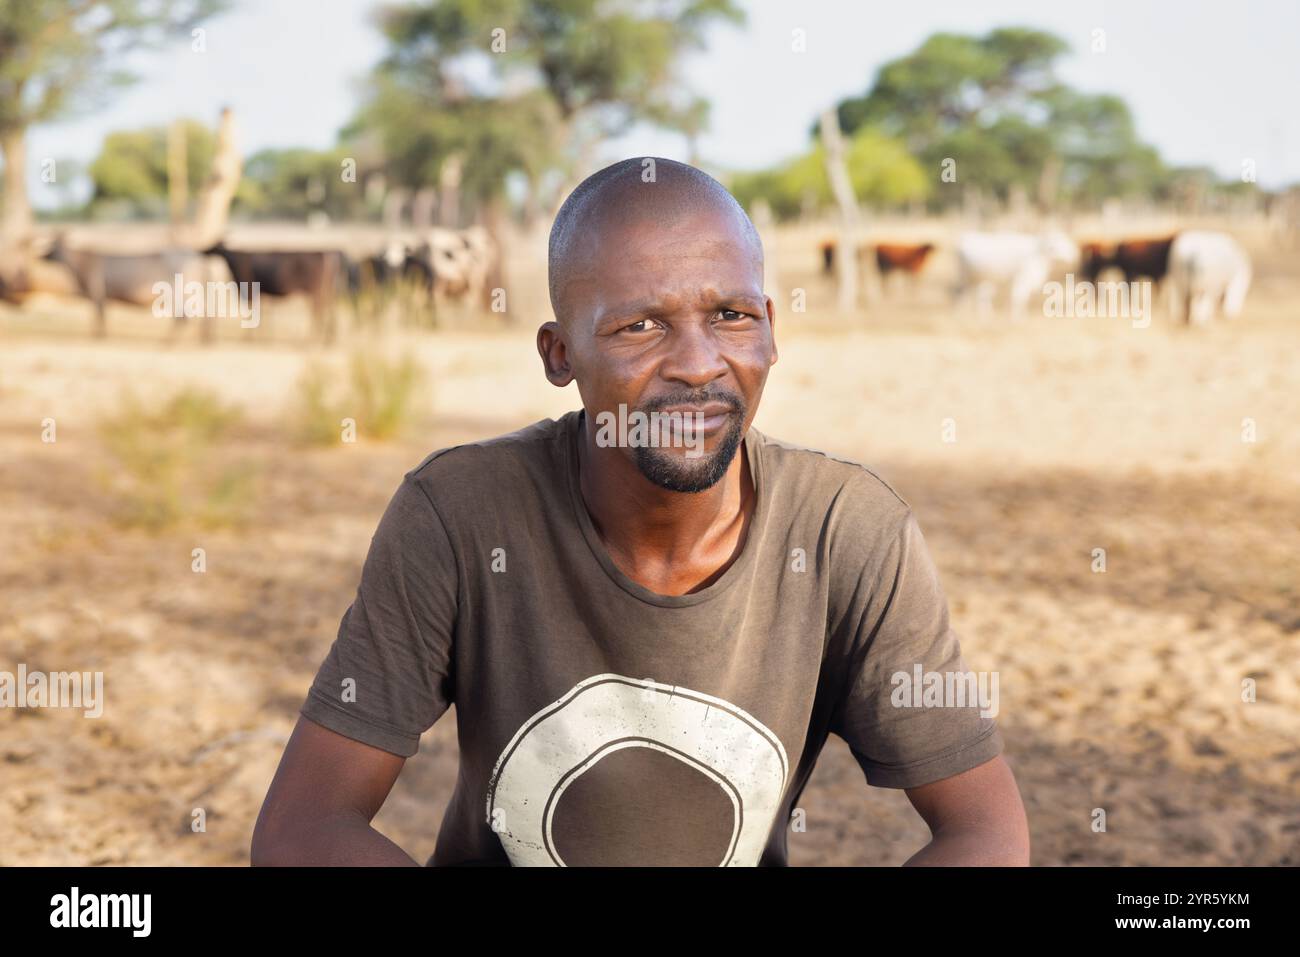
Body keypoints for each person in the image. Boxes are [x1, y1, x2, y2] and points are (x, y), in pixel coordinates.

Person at [251, 157, 1030, 866]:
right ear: (559, 355)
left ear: (770, 329)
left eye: (731, 315)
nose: (698, 365)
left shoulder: (849, 532)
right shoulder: (460, 516)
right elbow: (303, 829)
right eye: (641, 325)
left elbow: (984, 830)